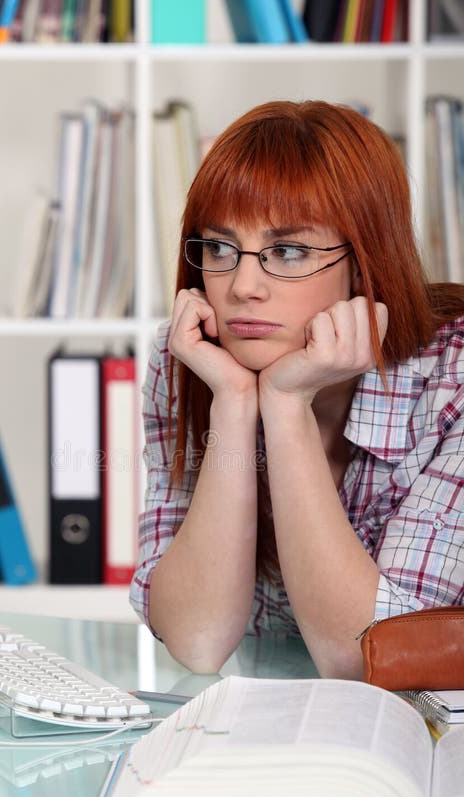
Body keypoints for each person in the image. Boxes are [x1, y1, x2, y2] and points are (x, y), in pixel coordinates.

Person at [130, 100, 464, 680]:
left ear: (364, 265)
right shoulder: (192, 357)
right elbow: (198, 640)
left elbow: (370, 658)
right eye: (219, 247)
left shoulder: (451, 378)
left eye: (288, 251)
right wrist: (235, 403)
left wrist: (286, 407)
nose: (243, 286)